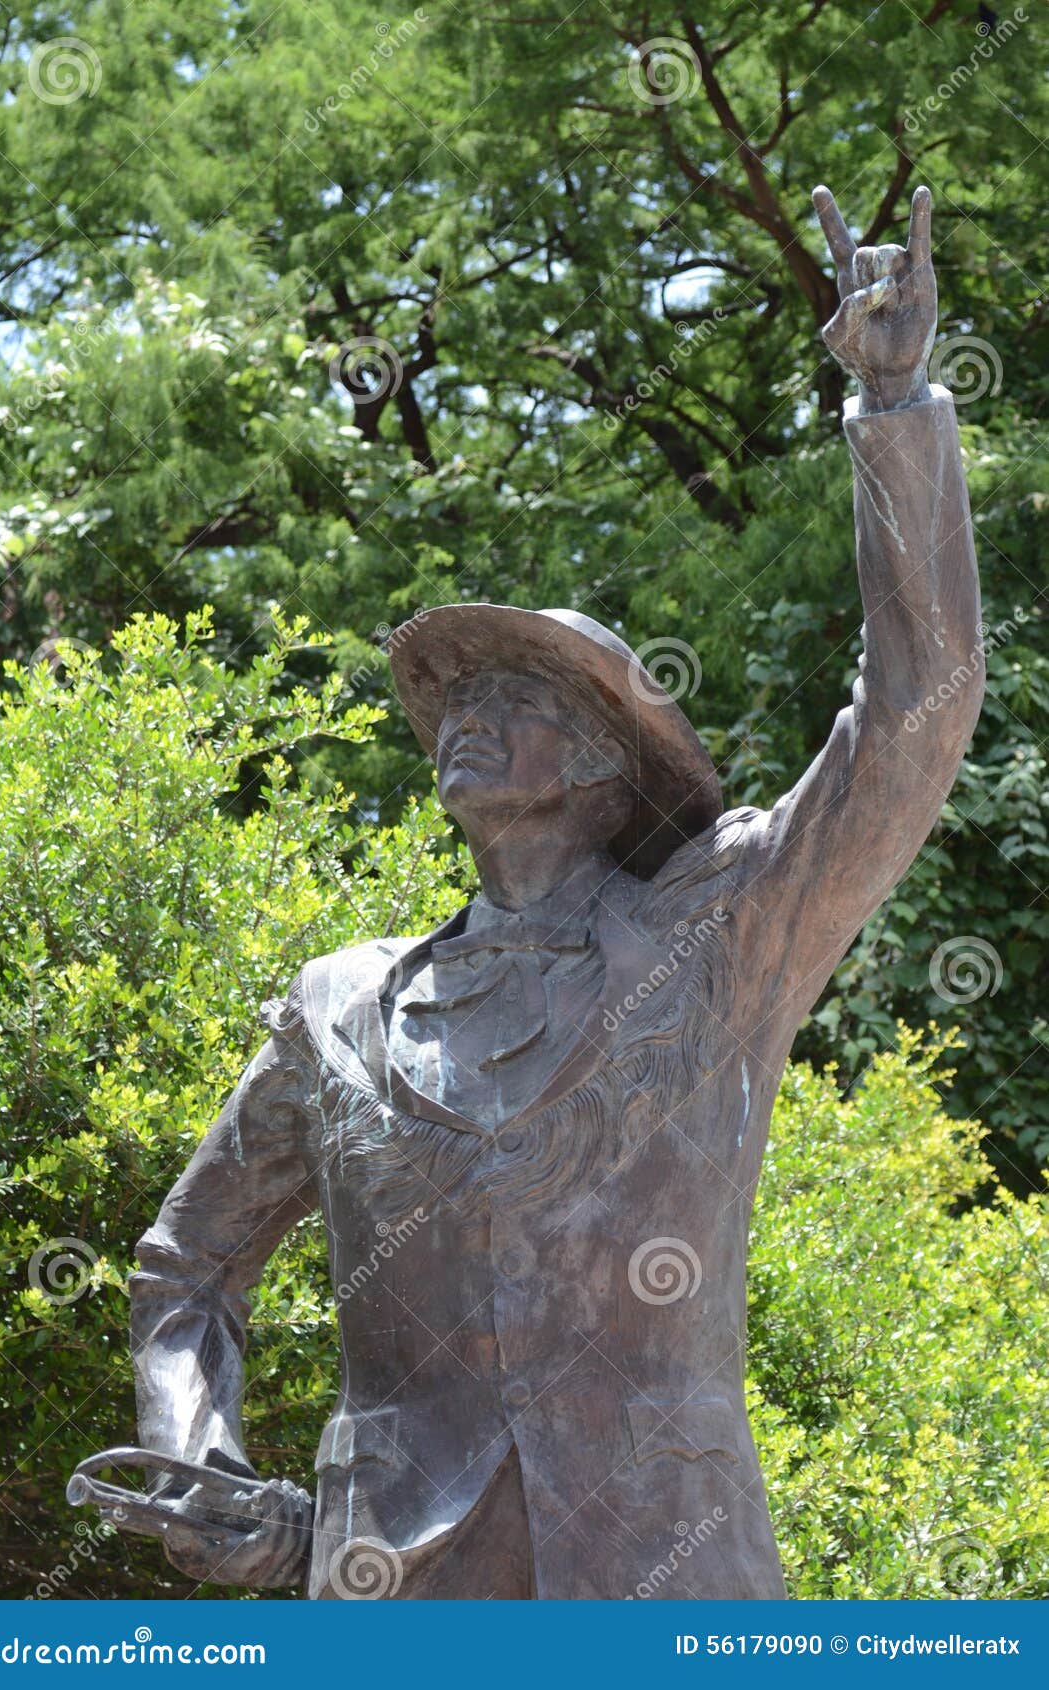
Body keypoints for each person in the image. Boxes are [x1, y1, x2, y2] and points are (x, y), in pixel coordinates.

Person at [107, 186, 982, 1598]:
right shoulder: (337, 1006)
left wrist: (894, 411)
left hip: (666, 1582)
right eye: (449, 696)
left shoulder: (720, 934)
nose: (461, 712)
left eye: (510, 695)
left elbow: (917, 717)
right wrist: (204, 1462)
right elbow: (181, 1271)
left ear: (600, 758)